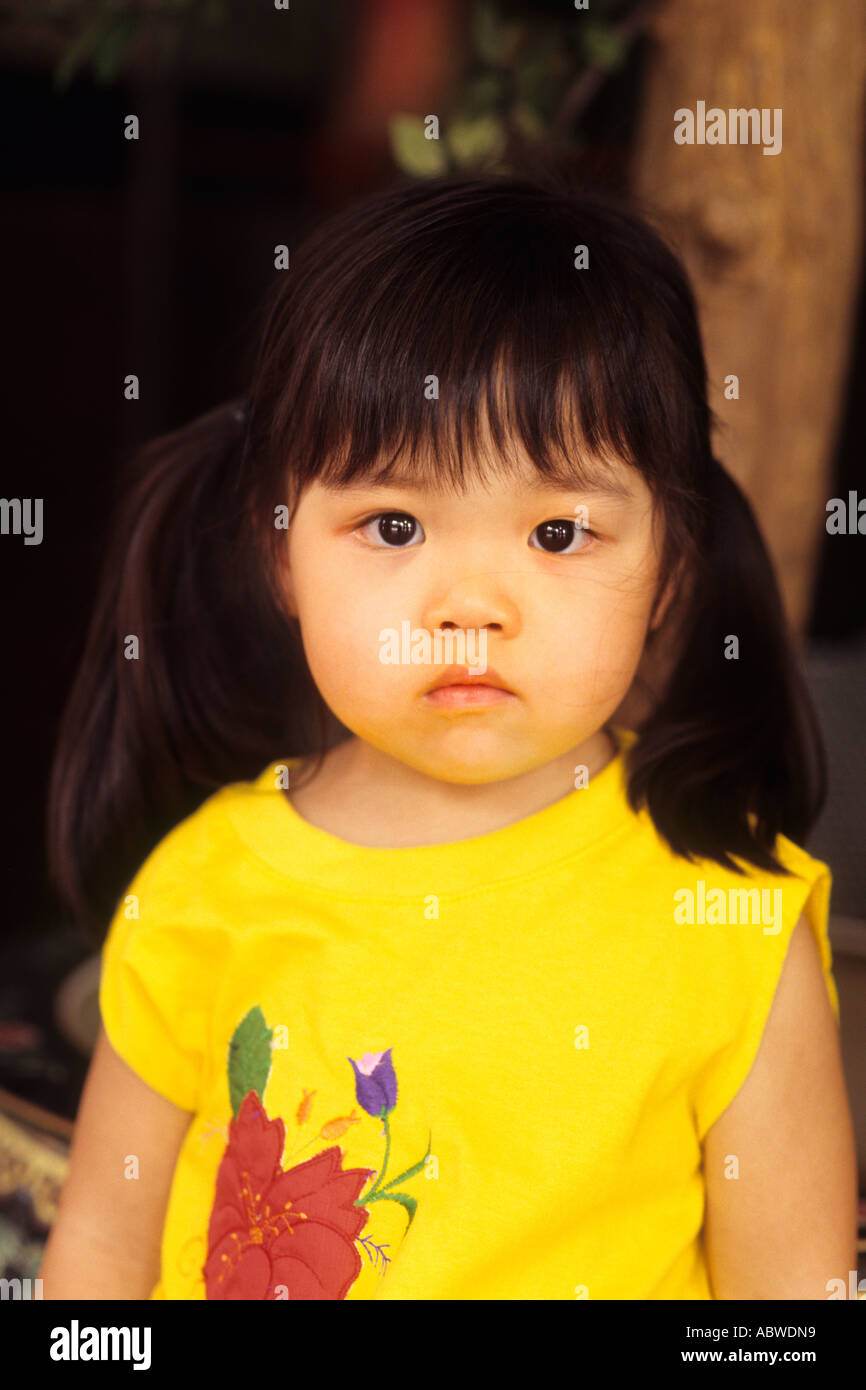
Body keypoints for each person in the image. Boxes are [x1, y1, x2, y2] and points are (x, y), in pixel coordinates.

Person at [39, 171, 857, 1300]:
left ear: (670, 563)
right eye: (393, 524)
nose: (470, 605)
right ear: (279, 550)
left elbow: (793, 1304)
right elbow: (96, 1261)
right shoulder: (198, 892)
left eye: (557, 531)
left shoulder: (726, 922)